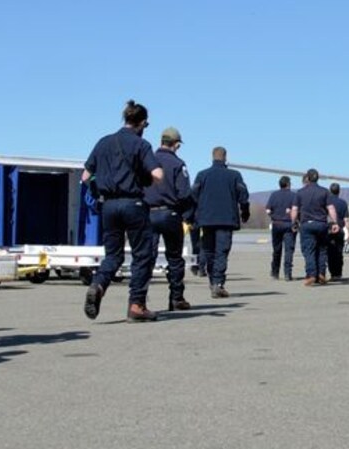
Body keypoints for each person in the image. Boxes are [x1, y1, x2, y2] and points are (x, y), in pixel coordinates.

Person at [82, 100, 164, 321]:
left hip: (108, 205)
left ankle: (98, 285)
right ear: (142, 123)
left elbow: (85, 176)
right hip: (133, 204)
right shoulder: (141, 145)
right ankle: (137, 304)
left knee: (113, 255)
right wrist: (144, 177)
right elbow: (158, 175)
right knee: (143, 255)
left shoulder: (103, 142)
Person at [145, 127, 194, 311]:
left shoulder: (148, 161)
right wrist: (187, 215)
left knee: (146, 257)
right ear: (177, 144)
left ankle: (138, 299)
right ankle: (176, 297)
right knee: (174, 257)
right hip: (169, 213)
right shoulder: (178, 164)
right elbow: (184, 193)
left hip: (148, 213)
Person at [192, 147, 250, 298]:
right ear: (225, 157)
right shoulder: (234, 175)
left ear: (212, 157)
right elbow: (243, 195)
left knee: (209, 251)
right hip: (226, 220)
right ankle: (218, 283)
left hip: (207, 220)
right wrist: (245, 212)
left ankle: (213, 281)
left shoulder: (202, 175)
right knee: (221, 252)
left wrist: (192, 215)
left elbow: (193, 195)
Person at [291, 168, 341, 286]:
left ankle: (311, 275)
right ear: (318, 178)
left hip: (307, 224)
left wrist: (293, 222)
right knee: (322, 250)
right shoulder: (324, 192)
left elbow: (294, 209)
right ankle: (321, 274)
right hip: (321, 224)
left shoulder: (300, 192)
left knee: (309, 251)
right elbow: (331, 208)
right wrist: (335, 223)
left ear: (307, 178)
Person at [265, 176, 298, 280]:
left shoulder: (274, 195)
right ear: (288, 184)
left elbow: (268, 210)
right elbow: (296, 210)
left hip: (276, 224)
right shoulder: (293, 195)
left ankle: (275, 272)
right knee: (289, 250)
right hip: (288, 224)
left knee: (277, 249)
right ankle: (287, 273)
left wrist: (273, 216)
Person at [327, 183, 349, 280]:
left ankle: (332, 273)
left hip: (328, 230)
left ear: (330, 190)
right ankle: (338, 273)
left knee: (330, 253)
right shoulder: (343, 203)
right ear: (339, 191)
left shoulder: (326, 202)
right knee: (339, 253)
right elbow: (346, 220)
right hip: (340, 230)